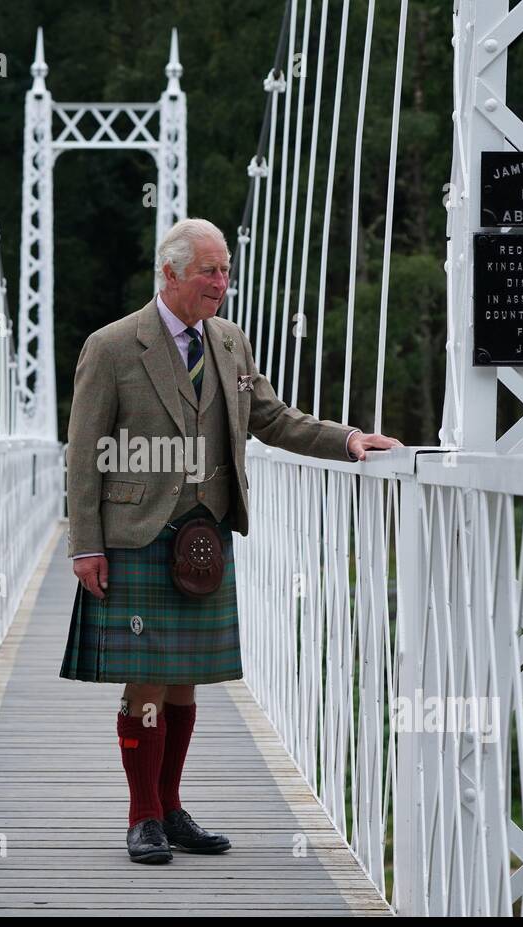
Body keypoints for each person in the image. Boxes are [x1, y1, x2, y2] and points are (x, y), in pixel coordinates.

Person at [59, 217, 402, 864]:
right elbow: (83, 455)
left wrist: (349, 439)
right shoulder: (111, 347)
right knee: (147, 683)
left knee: (185, 679)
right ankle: (142, 818)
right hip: (136, 533)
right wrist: (86, 545)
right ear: (171, 274)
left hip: (203, 537)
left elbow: (269, 419)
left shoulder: (229, 342)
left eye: (225, 270)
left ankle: (172, 808)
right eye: (209, 272)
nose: (222, 283)